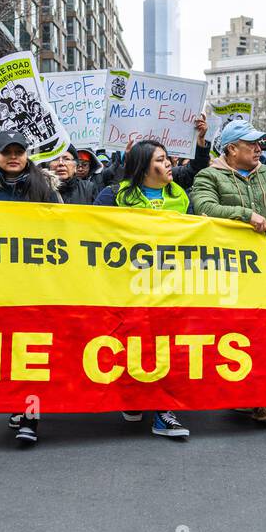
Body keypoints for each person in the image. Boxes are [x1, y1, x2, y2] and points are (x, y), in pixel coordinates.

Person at [192, 119, 266, 423]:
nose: (259, 148)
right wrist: (246, 215)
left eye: (259, 143)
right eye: (251, 144)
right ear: (232, 149)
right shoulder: (209, 176)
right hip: (228, 269)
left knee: (265, 329)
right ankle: (236, 391)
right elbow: (203, 207)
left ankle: (261, 398)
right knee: (232, 331)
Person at [0, 130, 60, 445]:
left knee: (31, 349)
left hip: (35, 283)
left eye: (20, 151)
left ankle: (31, 415)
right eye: (8, 151)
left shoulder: (45, 187)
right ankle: (17, 404)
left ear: (28, 154)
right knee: (6, 350)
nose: (14, 157)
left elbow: (65, 227)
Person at [92, 139, 192, 438]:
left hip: (169, 286)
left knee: (165, 347)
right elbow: (94, 233)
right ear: (143, 167)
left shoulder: (182, 197)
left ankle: (163, 411)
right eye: (160, 160)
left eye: (167, 158)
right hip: (127, 286)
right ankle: (135, 397)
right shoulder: (113, 196)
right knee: (131, 346)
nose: (169, 164)